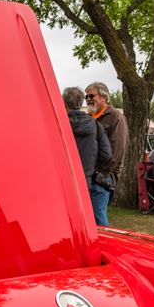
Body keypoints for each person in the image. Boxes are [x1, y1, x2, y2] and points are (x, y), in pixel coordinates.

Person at [63, 87, 113, 226]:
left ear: (64, 104)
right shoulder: (95, 126)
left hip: (64, 181)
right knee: (92, 221)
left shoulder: (58, 125)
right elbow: (107, 155)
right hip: (87, 179)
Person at [85, 82, 128, 225]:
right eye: (86, 96)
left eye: (92, 95)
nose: (88, 99)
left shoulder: (116, 117)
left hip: (102, 176)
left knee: (98, 217)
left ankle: (103, 246)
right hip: (89, 176)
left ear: (104, 97)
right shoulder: (89, 117)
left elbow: (117, 150)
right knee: (88, 218)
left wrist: (102, 173)